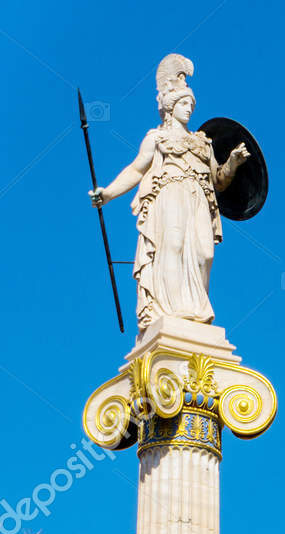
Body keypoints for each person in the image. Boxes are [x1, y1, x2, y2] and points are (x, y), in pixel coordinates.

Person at [88, 55, 249, 330]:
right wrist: (108, 193)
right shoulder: (157, 138)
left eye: (191, 104)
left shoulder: (202, 143)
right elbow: (137, 170)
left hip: (199, 198)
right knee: (171, 246)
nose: (189, 109)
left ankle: (196, 310)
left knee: (204, 253)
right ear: (170, 107)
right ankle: (170, 313)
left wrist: (232, 163)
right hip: (170, 193)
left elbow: (218, 181)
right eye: (184, 103)